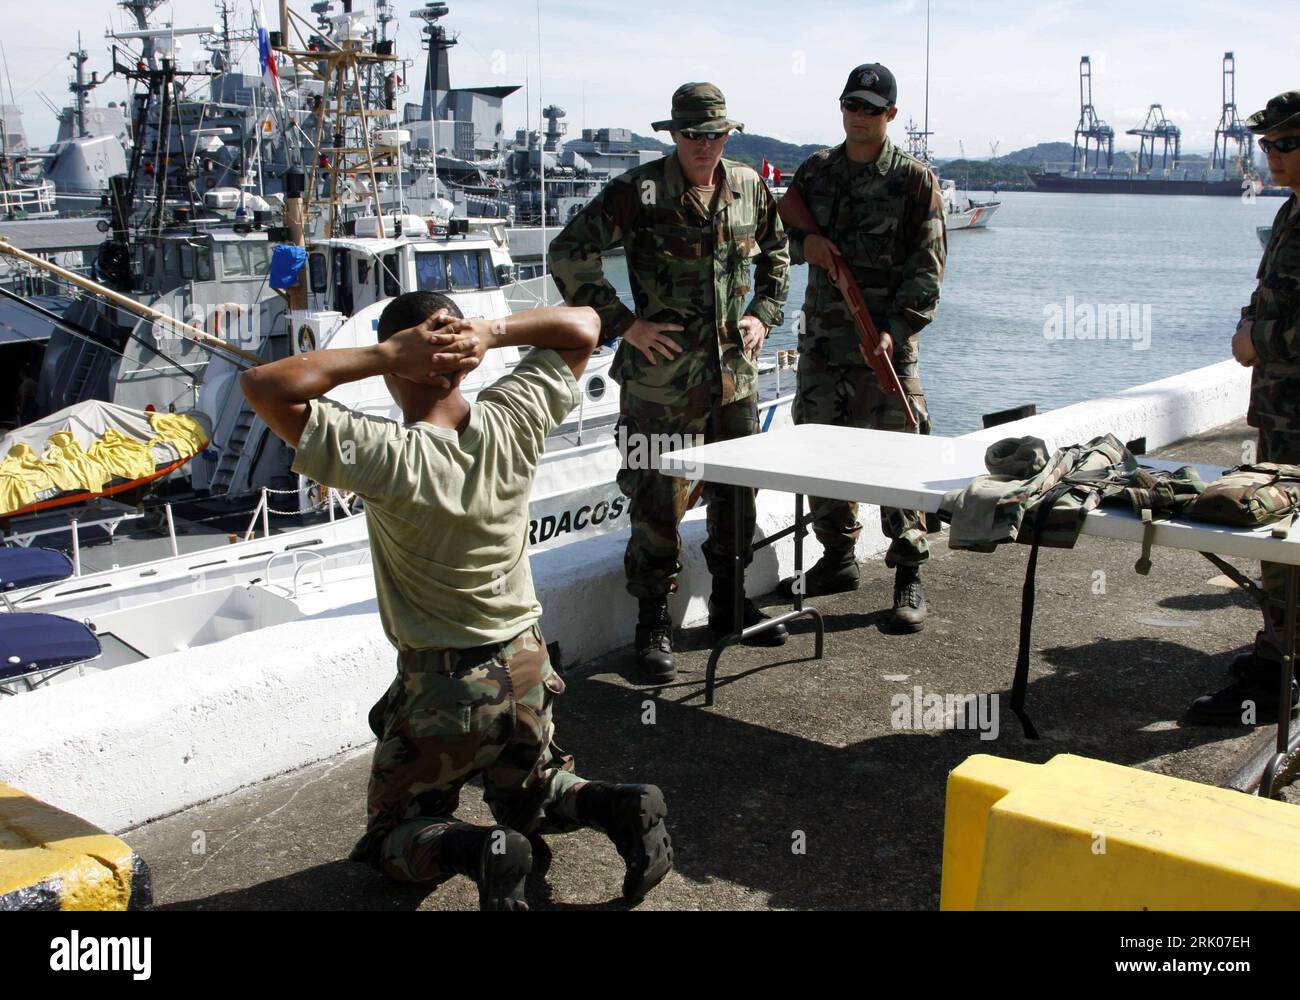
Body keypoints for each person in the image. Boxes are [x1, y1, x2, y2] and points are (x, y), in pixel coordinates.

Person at [239, 293, 674, 909]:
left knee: (393, 837)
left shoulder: (387, 454)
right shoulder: (511, 417)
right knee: (537, 791)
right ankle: (618, 806)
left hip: (447, 685)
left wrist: (388, 353)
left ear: (400, 366)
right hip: (527, 665)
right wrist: (488, 334)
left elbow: (263, 385)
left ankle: (478, 853)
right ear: (464, 364)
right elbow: (584, 325)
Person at [548, 82, 790, 683]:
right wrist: (625, 325)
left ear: (728, 134)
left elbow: (778, 256)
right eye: (692, 134)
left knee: (738, 493)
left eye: (715, 134)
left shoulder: (750, 187)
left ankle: (732, 602)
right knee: (659, 497)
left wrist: (763, 313)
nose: (704, 145)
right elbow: (569, 252)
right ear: (673, 135)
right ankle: (653, 620)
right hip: (661, 383)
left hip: (734, 378)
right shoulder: (640, 191)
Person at [776, 63, 947, 632]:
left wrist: (895, 332)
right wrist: (809, 246)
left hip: (886, 349)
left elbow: (928, 273)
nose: (860, 115)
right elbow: (779, 232)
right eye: (853, 104)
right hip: (824, 345)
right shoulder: (817, 172)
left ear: (890, 115)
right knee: (820, 456)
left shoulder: (915, 182)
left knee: (901, 459)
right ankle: (838, 559)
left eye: (872, 108)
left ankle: (908, 575)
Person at [1189, 91, 1300, 724]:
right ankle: (1279, 654)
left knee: (1287, 544)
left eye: (1286, 143)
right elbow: (1270, 295)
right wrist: (1249, 324)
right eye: (1267, 144)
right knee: (1278, 541)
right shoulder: (1290, 213)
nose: (1272, 155)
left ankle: (1279, 672)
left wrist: (1257, 340)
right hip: (1281, 411)